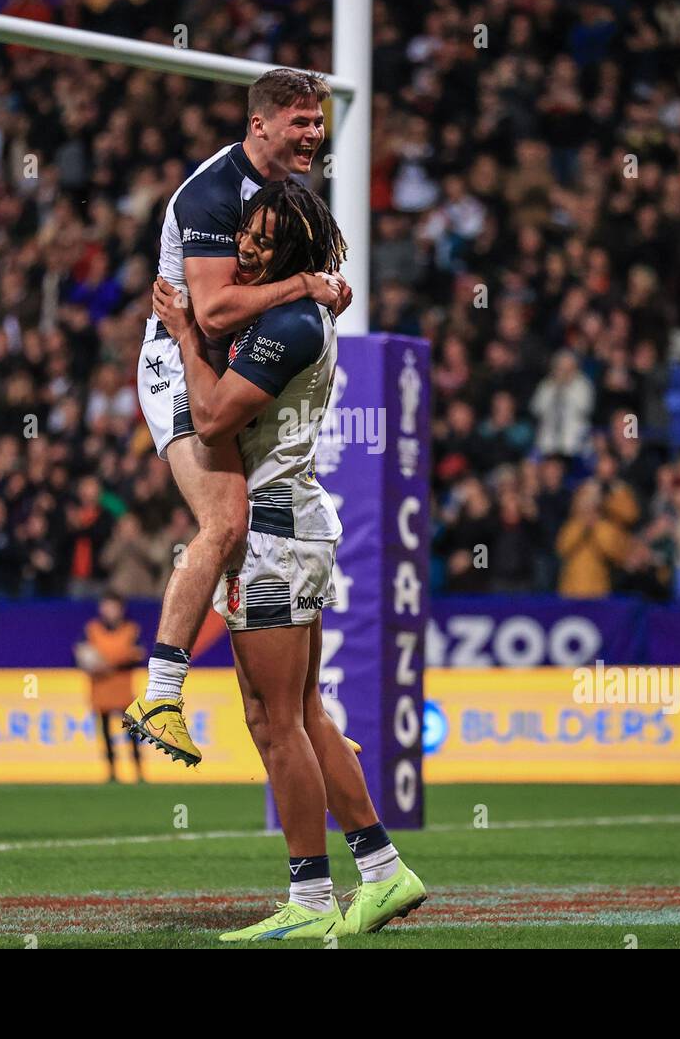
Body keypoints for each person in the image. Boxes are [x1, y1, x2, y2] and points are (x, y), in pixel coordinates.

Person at [152, 180, 426, 941]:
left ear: (299, 251)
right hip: (291, 524)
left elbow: (208, 420)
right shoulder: (298, 313)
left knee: (276, 723)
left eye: (268, 240)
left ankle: (310, 903)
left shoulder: (291, 325)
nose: (248, 246)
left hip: (274, 531)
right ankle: (382, 871)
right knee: (299, 714)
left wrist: (181, 335)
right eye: (248, 232)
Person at [125, 68, 351, 767]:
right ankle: (159, 693)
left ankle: (306, 719)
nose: (314, 133)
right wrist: (306, 286)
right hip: (177, 361)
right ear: (261, 124)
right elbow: (214, 311)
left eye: (318, 122)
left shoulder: (284, 194)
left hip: (223, 365)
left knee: (243, 530)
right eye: (301, 122)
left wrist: (323, 283)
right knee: (225, 522)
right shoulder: (213, 193)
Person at [75, 592, 145, 783]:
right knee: (105, 732)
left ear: (121, 609)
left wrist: (109, 664)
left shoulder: (131, 630)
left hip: (123, 690)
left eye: (114, 607)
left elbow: (138, 655)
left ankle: (138, 771)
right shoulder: (92, 629)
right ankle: (112, 772)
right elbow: (81, 654)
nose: (110, 611)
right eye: (107, 606)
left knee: (132, 731)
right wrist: (95, 664)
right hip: (101, 690)